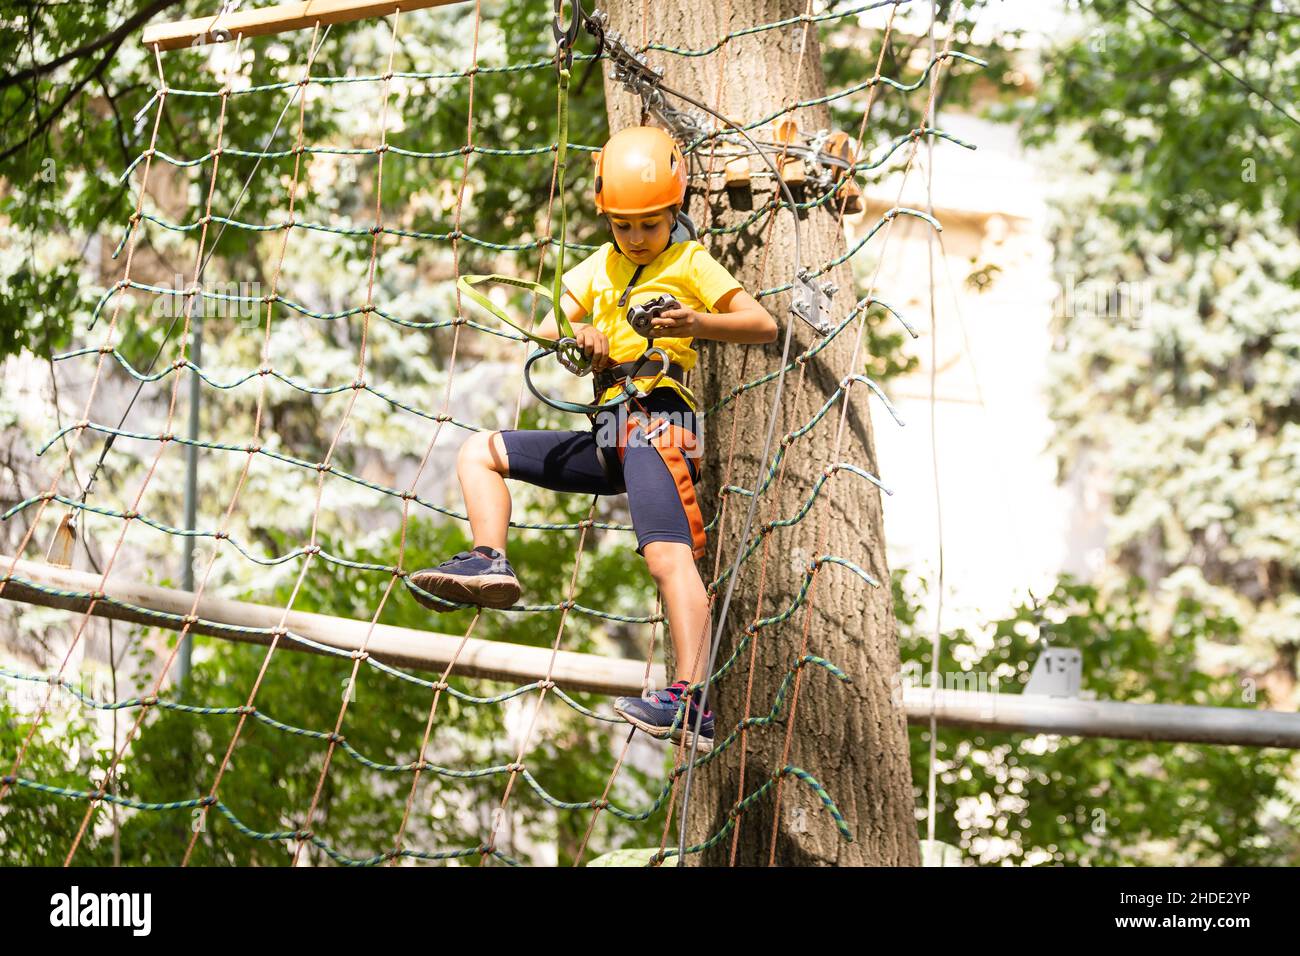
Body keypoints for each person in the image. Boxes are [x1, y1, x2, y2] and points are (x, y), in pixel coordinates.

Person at [408, 126, 777, 752]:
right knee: (479, 452)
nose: (636, 238)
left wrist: (697, 322)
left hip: (657, 420)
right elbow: (552, 322)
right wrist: (580, 339)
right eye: (624, 225)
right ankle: (488, 560)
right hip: (608, 428)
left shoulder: (689, 263)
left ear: (674, 213)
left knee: (667, 556)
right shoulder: (600, 266)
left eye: (651, 225)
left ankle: (691, 701)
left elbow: (762, 325)